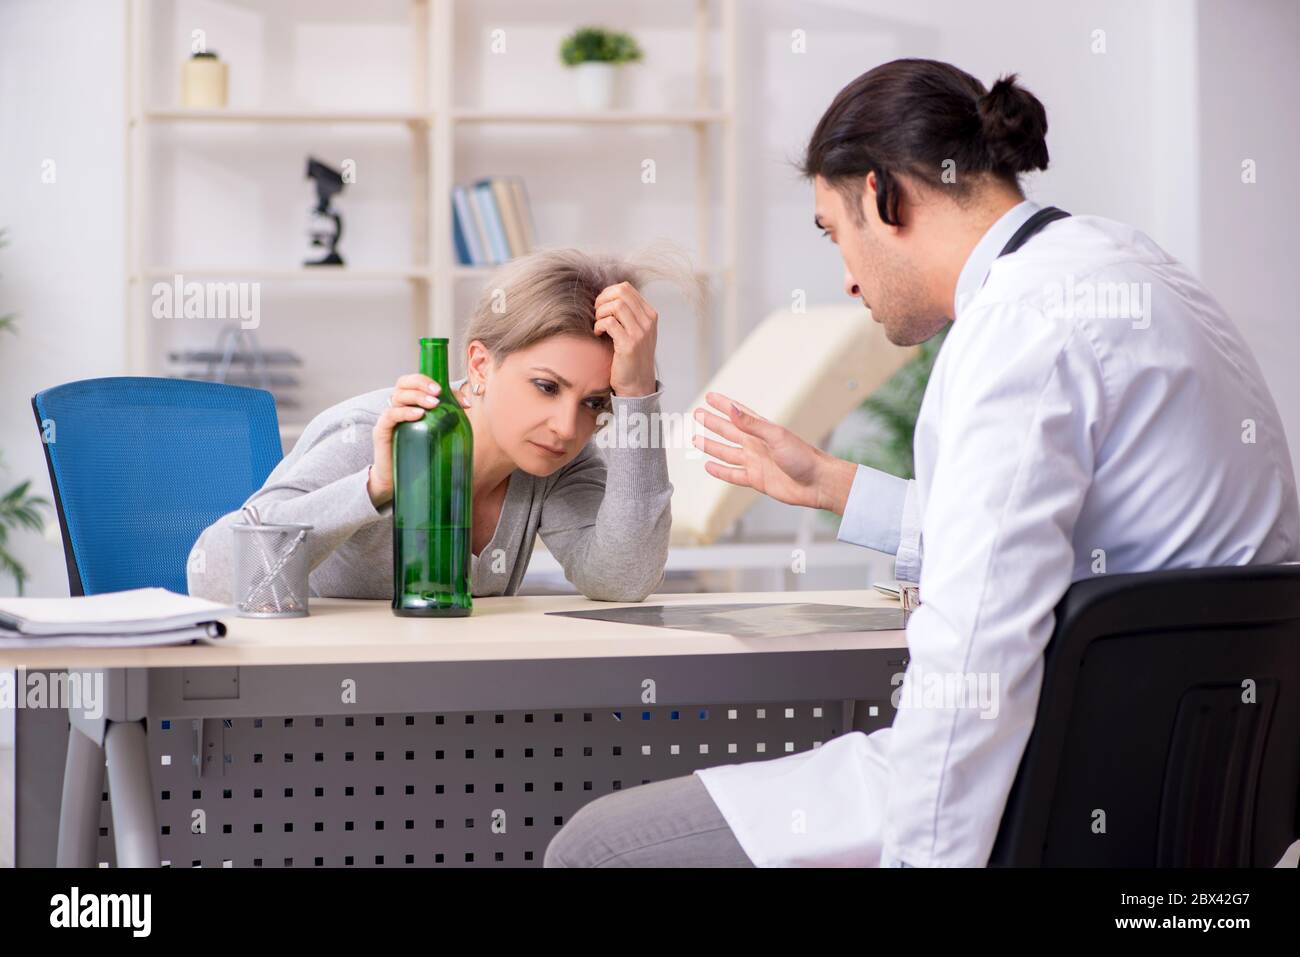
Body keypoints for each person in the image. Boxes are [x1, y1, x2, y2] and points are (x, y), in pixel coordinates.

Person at [545, 58, 1299, 868]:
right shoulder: (1129, 269)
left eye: (835, 233)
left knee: (597, 847)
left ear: (883, 194)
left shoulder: (1017, 326)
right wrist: (832, 485)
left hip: (1046, 787)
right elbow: (1056, 534)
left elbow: (975, 655)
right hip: (1193, 799)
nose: (845, 279)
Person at [187, 248, 678, 604]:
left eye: (594, 402)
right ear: (481, 365)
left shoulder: (559, 464)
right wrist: (375, 487)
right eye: (546, 387)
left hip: (450, 706)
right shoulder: (375, 433)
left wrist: (638, 396)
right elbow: (209, 574)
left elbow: (621, 580)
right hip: (317, 709)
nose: (567, 427)